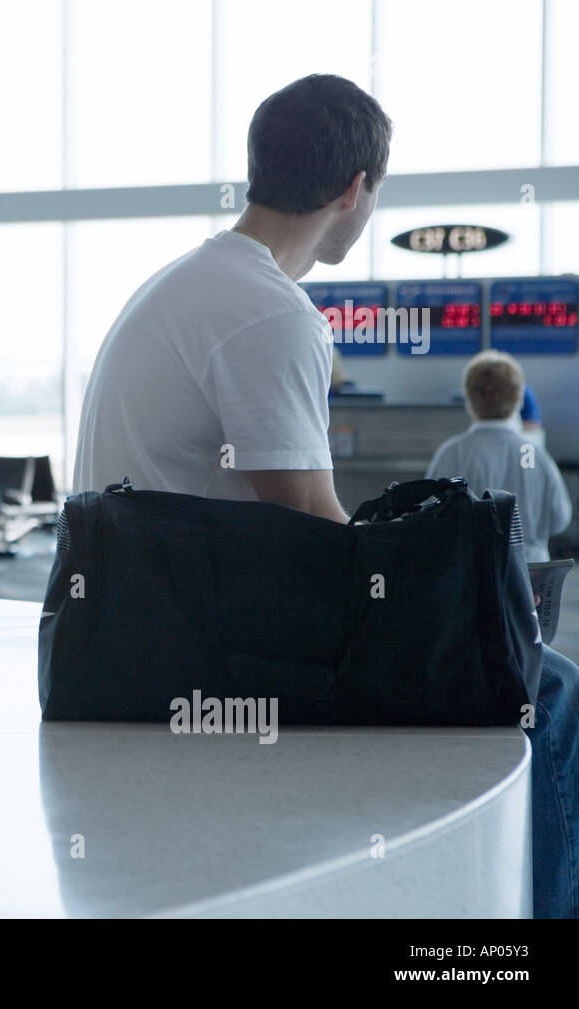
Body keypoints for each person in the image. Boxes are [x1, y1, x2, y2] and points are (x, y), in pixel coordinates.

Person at [72, 73, 579, 918]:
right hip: (197, 648)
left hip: (130, 622)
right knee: (547, 686)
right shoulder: (272, 312)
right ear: (356, 189)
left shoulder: (183, 284)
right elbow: (314, 534)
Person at [427, 351, 571, 563]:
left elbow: (431, 515)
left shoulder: (452, 452)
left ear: (469, 397)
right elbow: (559, 520)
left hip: (470, 574)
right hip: (529, 576)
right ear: (518, 398)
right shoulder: (534, 454)